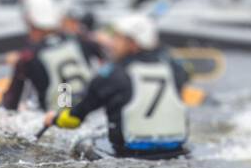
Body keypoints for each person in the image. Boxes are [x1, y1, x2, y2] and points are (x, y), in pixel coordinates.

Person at [45, 13, 190, 159]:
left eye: (117, 38)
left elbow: (73, 119)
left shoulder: (112, 74)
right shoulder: (176, 69)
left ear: (132, 43)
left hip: (130, 156)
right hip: (176, 152)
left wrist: (55, 119)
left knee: (82, 144)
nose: (111, 43)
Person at [2, 0, 103, 112]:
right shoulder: (81, 41)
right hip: (92, 113)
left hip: (57, 122)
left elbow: (10, 105)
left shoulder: (28, 58)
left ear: (28, 20)